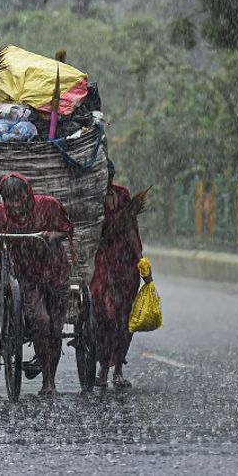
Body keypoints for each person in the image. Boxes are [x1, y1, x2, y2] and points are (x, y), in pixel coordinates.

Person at [0, 173, 73, 396]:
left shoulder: (48, 206)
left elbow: (66, 229)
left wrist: (51, 235)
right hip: (27, 276)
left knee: (56, 327)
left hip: (56, 271)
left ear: (28, 194)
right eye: (11, 200)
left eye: (20, 199)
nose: (16, 205)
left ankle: (50, 380)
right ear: (4, 200)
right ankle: (46, 378)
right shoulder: (0, 213)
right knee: (41, 321)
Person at [90, 160, 151, 388]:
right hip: (103, 260)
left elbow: (131, 230)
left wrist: (141, 262)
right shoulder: (91, 199)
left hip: (125, 263)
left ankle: (117, 370)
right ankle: (103, 366)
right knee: (105, 314)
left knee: (124, 318)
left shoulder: (123, 195)